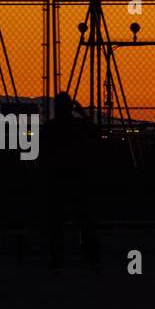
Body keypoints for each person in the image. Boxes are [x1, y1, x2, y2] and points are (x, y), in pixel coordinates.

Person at [41, 93, 100, 269]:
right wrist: (82, 112)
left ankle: (57, 257)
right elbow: (96, 131)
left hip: (57, 176)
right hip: (77, 176)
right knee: (84, 218)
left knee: (56, 219)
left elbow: (43, 152)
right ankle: (90, 255)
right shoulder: (79, 125)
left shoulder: (50, 127)